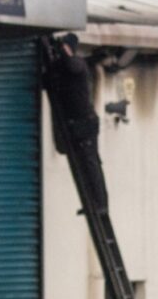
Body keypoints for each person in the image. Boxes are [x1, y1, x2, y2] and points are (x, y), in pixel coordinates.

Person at [41, 33, 108, 215]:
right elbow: (48, 80)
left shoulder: (78, 63)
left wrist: (64, 51)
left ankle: (100, 204)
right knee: (82, 165)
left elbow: (71, 65)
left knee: (90, 164)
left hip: (86, 123)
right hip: (76, 125)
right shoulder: (61, 69)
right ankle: (90, 203)